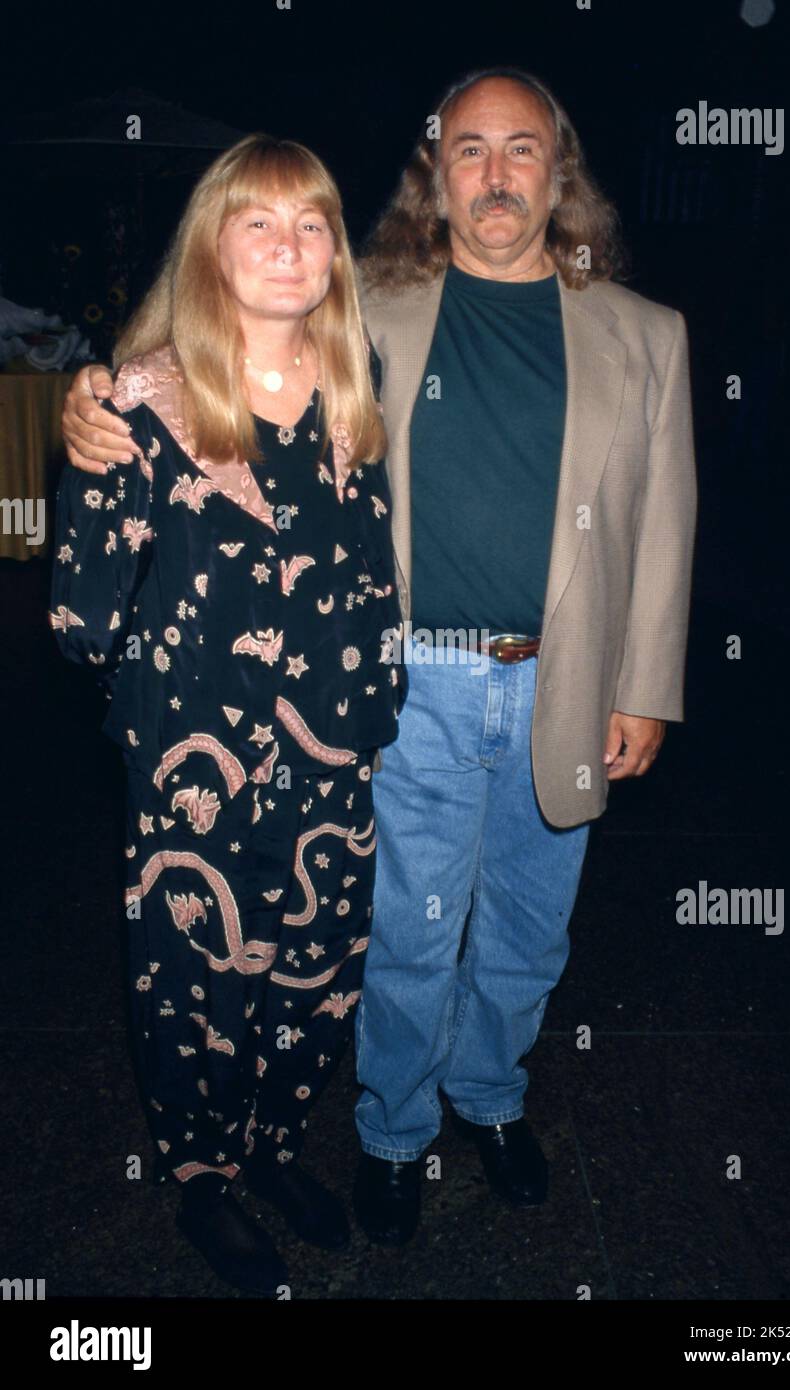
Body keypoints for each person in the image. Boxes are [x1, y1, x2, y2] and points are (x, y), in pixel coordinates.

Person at [62, 66, 697, 1249]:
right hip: (410, 684)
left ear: (559, 172)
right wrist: (93, 401)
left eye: (521, 149)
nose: (496, 173)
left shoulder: (645, 335)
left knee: (526, 924)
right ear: (434, 175)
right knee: (399, 928)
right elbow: (221, 355)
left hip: (564, 679)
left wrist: (644, 688)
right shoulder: (373, 321)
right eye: (468, 150)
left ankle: (492, 1101)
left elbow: (666, 522)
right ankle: (393, 1131)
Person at [51, 133, 406, 1290]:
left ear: (334, 256)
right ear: (210, 244)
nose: (287, 244)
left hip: (330, 760)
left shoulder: (358, 383)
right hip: (194, 766)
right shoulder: (140, 395)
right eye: (256, 219)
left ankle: (271, 1144)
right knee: (192, 974)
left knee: (313, 971)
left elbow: (370, 572)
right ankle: (200, 1174)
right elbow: (81, 615)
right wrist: (164, 712)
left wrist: (373, 700)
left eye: (310, 222)